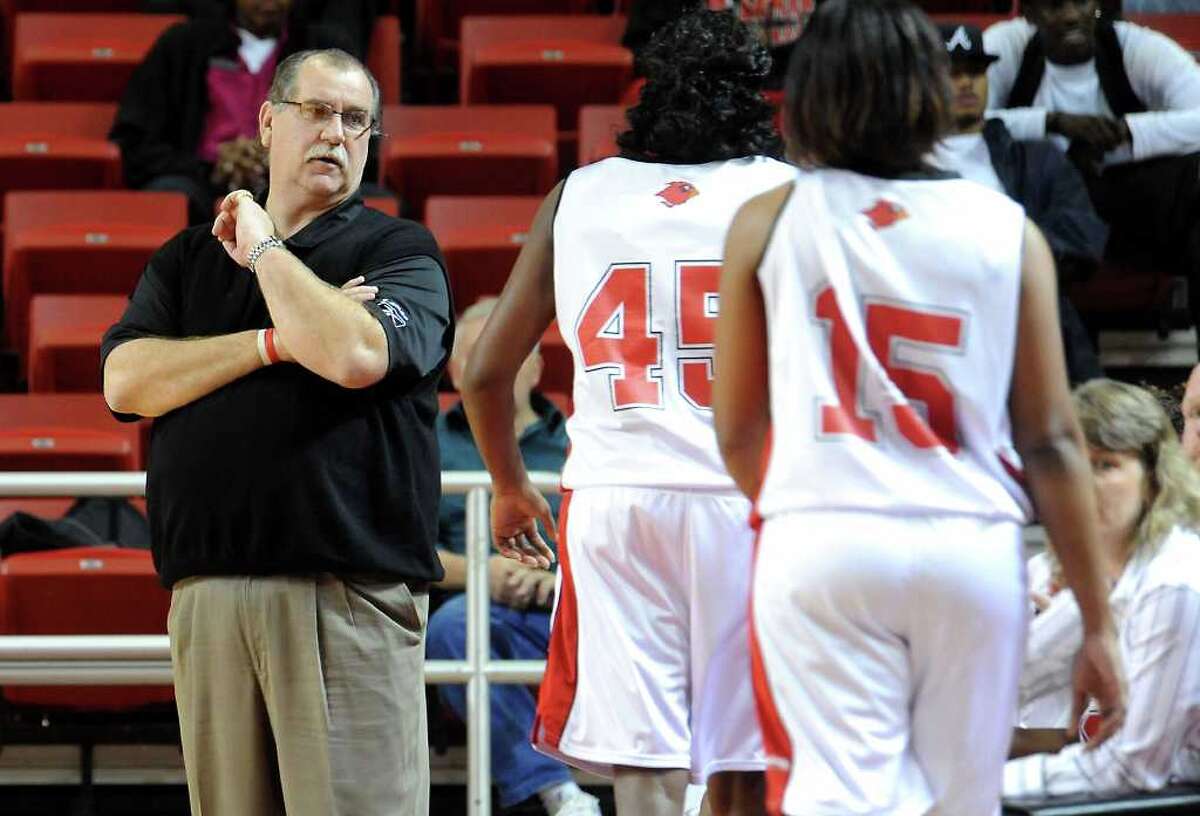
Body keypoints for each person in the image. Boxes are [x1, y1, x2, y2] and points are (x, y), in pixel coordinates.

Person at [711, 1, 1125, 814]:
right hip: (968, 544)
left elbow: (736, 426)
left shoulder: (768, 218)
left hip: (822, 533)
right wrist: (1100, 624)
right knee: (956, 803)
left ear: (808, 95)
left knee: (834, 801)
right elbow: (1050, 441)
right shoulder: (1008, 228)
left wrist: (796, 505)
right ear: (929, 91)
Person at [100, 48, 453, 815]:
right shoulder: (188, 258)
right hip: (208, 595)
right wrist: (276, 343)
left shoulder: (401, 251)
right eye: (317, 112)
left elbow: (358, 354)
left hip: (345, 596)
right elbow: (126, 382)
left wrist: (265, 251)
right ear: (268, 121)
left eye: (356, 120)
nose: (336, 134)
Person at [460, 11, 793, 816]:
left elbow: (481, 371)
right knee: (743, 751)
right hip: (744, 495)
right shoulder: (785, 193)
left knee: (643, 754)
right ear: (755, 98)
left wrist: (509, 484)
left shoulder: (581, 194)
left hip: (613, 498)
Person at [425, 298, 600, 816]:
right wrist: (480, 574)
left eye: (509, 350)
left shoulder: (583, 436)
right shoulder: (426, 443)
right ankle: (554, 791)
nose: (493, 365)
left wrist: (560, 580)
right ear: (455, 369)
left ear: (537, 363)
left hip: (571, 608)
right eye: (478, 353)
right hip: (477, 610)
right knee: (453, 629)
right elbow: (406, 551)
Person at [1008, 379, 1200, 797]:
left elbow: (1131, 768)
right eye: (1073, 464)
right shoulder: (1108, 573)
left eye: (1107, 465)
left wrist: (973, 785)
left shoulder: (1175, 578)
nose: (1085, 485)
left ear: (1153, 479)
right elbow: (1018, 678)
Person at [983, 0, 1200, 329]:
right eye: (1055, 5)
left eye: (1081, 1)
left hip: (1123, 203)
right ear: (1029, 12)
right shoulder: (1004, 45)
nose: (1070, 15)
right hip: (1036, 207)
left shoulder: (1136, 46)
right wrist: (1051, 123)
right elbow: (957, 124)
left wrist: (1127, 132)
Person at [932, 22, 1107, 384]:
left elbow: (1082, 240)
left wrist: (1002, 257)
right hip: (933, 314)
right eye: (952, 73)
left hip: (1021, 310)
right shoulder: (901, 166)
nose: (966, 83)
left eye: (976, 71)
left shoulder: (1036, 161)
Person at [110, 0, 379, 224]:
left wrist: (280, 159)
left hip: (302, 180)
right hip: (198, 181)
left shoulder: (326, 48)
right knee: (169, 195)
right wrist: (214, 166)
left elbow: (361, 131)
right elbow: (136, 139)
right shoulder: (182, 45)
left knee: (367, 200)